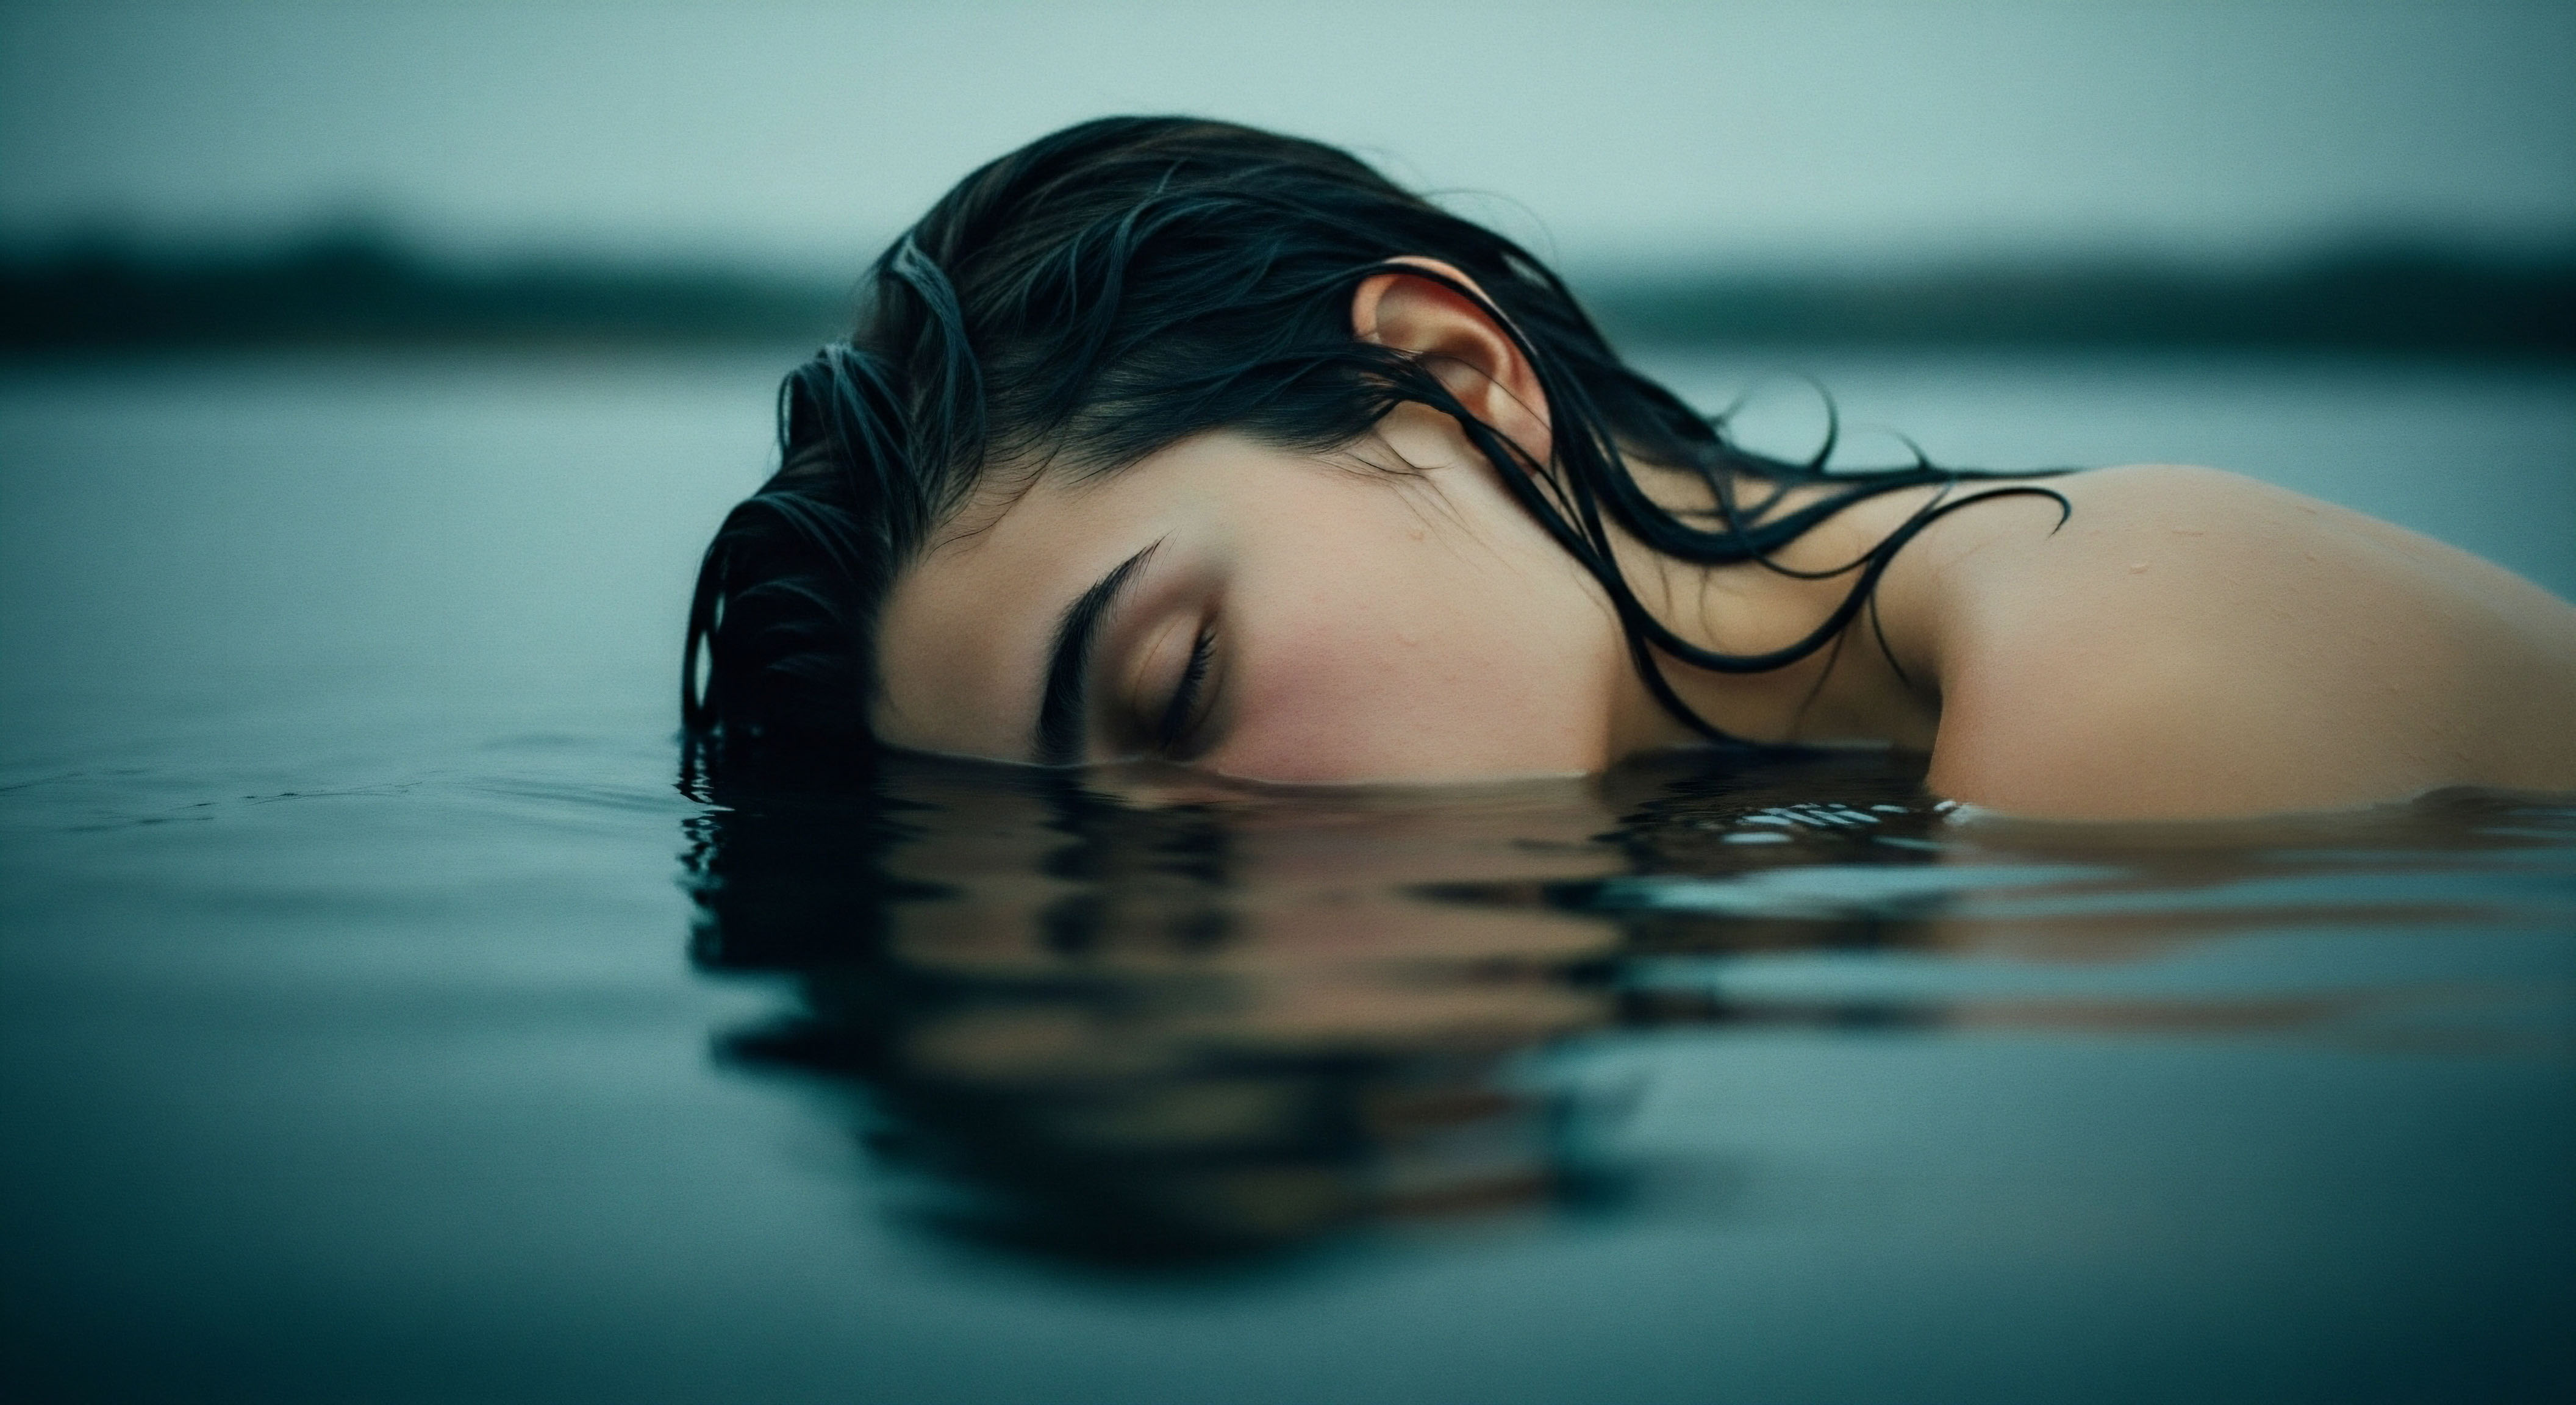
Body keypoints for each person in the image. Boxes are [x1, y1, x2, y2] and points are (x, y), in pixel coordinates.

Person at [684, 117, 2576, 820]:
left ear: (1450, 379)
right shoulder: (1883, 727)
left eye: (1176, 688)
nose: (1193, 847)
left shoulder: (2105, 673)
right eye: (1080, 839)